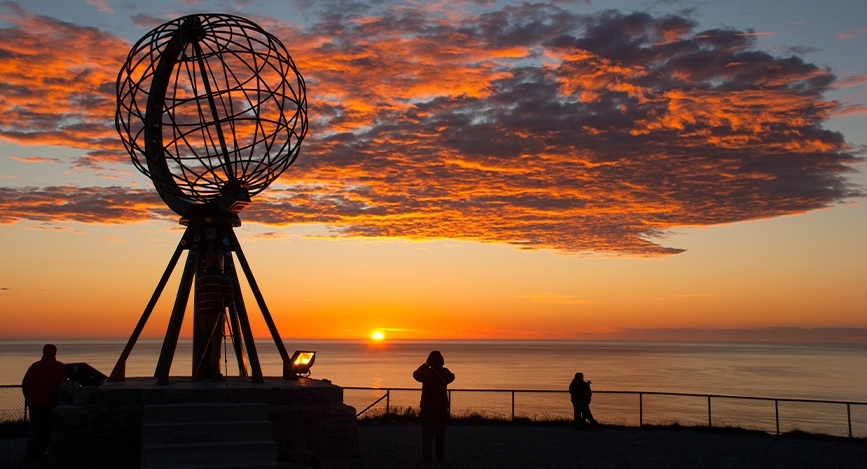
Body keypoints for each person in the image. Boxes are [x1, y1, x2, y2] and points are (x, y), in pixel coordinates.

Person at [22, 344, 68, 463]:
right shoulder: (60, 367)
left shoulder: (35, 366)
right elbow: (64, 385)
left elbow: (26, 384)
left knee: (35, 429)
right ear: (55, 353)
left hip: (35, 403)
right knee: (50, 429)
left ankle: (33, 455)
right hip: (52, 403)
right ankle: (48, 454)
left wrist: (29, 398)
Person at [413, 350, 455, 463]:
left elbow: (415, 374)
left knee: (427, 435)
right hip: (441, 408)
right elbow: (452, 377)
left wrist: (426, 365)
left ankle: (427, 457)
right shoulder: (445, 372)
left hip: (427, 409)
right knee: (440, 435)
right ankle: (440, 457)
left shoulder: (426, 373)